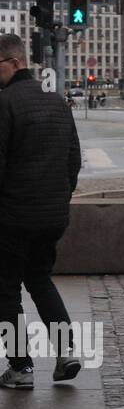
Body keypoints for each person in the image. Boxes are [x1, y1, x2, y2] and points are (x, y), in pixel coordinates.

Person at [0, 33, 82, 388]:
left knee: (5, 293)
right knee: (40, 279)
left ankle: (21, 368)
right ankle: (67, 352)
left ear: (15, 62)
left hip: (13, 217)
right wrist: (59, 198)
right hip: (52, 216)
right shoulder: (58, 102)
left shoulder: (5, 103)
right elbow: (73, 162)